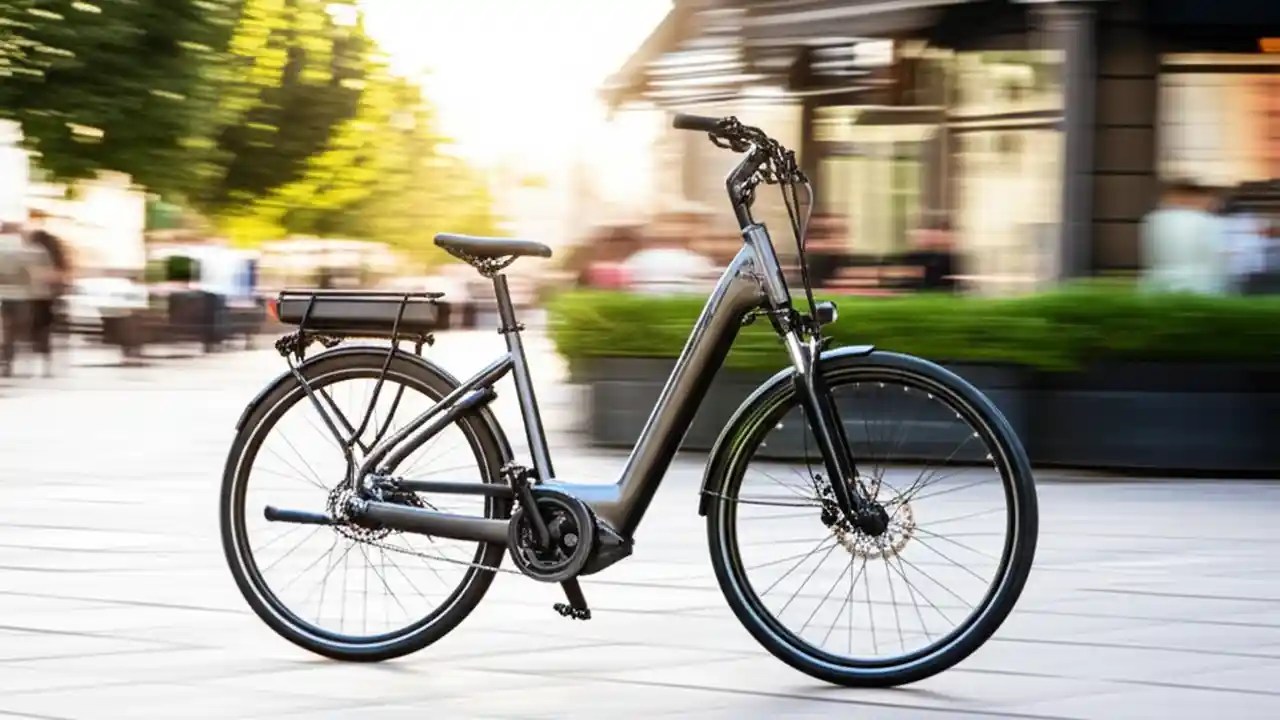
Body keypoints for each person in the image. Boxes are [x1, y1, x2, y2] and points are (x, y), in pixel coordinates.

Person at [1139, 180, 1229, 296]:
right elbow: (1217, 260)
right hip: (1200, 287)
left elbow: (1149, 258)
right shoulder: (1208, 222)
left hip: (1157, 286)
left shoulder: (1152, 220)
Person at [23, 209, 69, 376]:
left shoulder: (30, 242)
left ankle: (39, 357)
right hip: (44, 292)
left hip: (35, 292)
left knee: (37, 325)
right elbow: (63, 266)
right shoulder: (50, 242)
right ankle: (43, 358)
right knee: (42, 326)